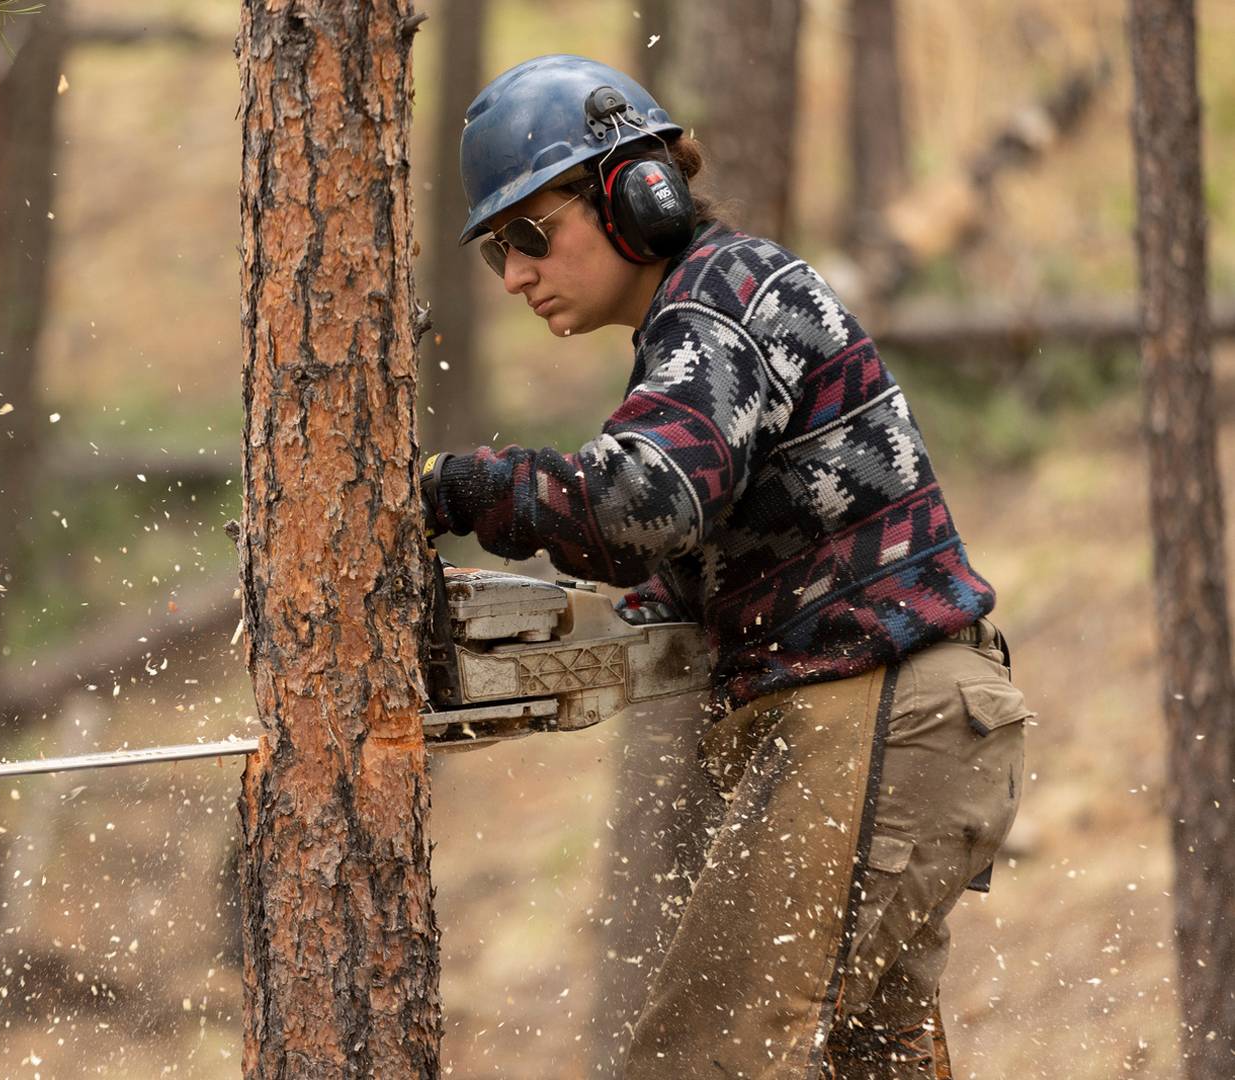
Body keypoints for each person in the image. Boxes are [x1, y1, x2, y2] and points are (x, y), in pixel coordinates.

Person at [419, 55, 1030, 1079]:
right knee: (864, 1066)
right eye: (495, 256)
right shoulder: (705, 326)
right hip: (907, 722)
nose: (516, 275)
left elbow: (641, 502)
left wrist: (457, 487)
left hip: (875, 713)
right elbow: (670, 584)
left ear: (635, 195)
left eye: (529, 235)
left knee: (701, 1060)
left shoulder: (719, 299)